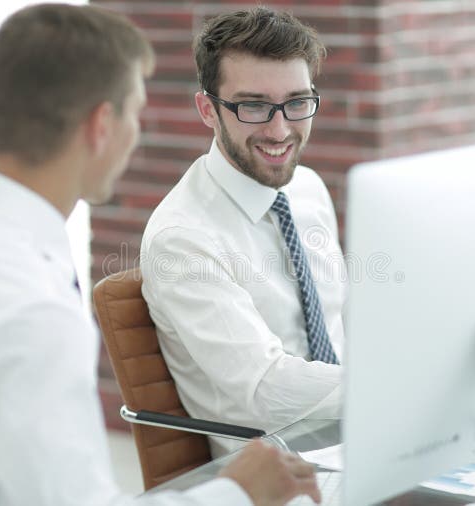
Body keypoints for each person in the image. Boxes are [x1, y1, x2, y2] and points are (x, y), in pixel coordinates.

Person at [0, 4, 320, 505]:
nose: (136, 134)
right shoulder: (36, 311)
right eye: (135, 112)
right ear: (102, 125)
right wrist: (237, 492)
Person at [140, 7, 345, 457]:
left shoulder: (307, 188)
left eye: (296, 102)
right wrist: (389, 386)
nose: (280, 129)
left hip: (356, 439)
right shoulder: (183, 237)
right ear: (208, 110)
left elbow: (337, 325)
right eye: (253, 106)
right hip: (271, 471)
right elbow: (266, 391)